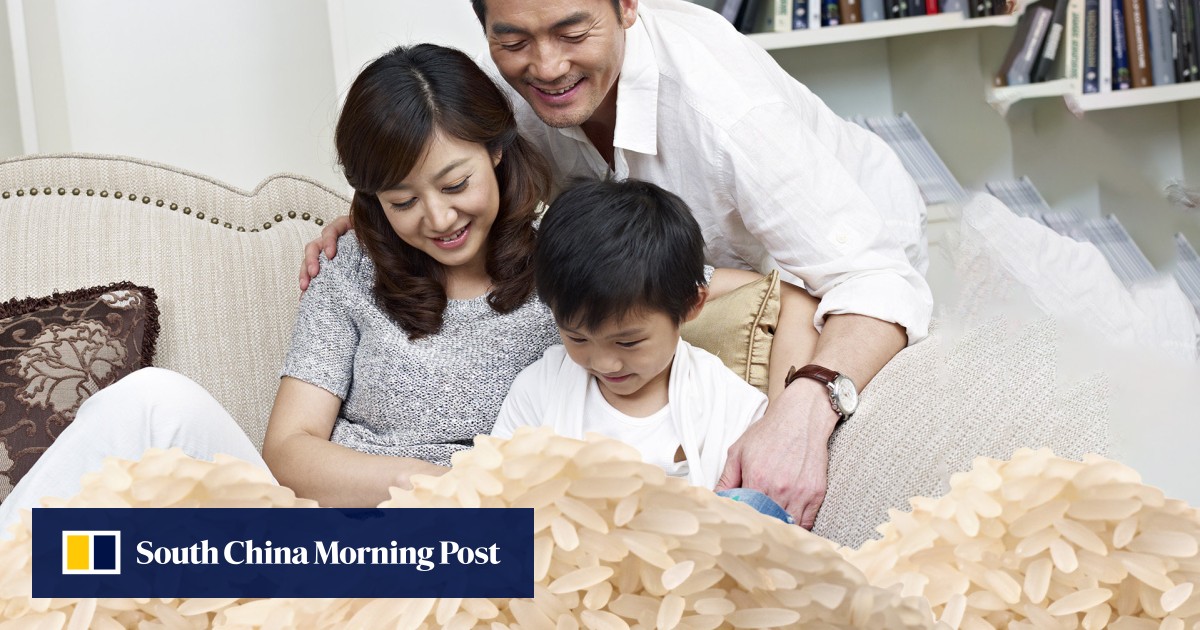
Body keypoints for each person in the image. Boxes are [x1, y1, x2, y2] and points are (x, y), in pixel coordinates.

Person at [301, 0, 934, 527]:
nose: (546, 67)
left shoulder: (727, 112)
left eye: (573, 31)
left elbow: (864, 283)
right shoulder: (504, 106)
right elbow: (434, 154)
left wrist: (799, 411)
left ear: (627, 5)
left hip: (852, 257)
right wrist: (377, 217)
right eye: (513, 39)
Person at [491, 179, 808, 524]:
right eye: (577, 338)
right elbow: (496, 492)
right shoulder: (539, 390)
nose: (604, 362)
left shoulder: (728, 402)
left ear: (691, 305)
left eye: (627, 342)